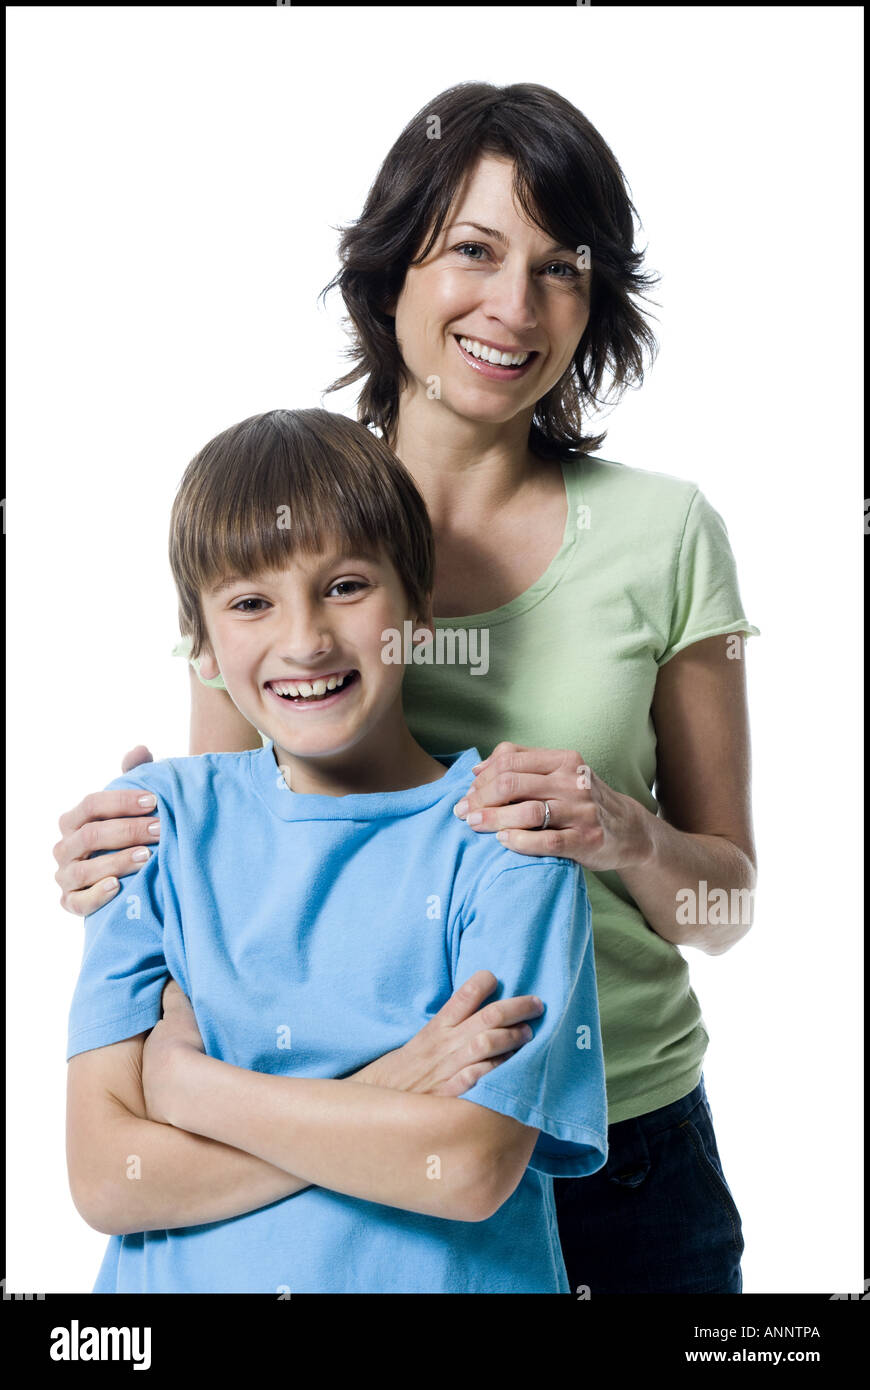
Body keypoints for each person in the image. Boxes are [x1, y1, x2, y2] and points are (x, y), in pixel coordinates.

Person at [55, 82, 758, 1294]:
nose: (513, 305)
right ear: (393, 278)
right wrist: (122, 857)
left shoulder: (667, 533)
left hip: (625, 1145)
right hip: (338, 1162)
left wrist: (624, 833)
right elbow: (235, 867)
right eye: (474, 251)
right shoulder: (280, 532)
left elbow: (726, 911)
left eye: (560, 269)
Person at [65, 406, 607, 1294]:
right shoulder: (150, 826)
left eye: (347, 586)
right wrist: (398, 1082)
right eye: (250, 603)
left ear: (419, 607)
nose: (306, 639)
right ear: (200, 644)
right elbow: (108, 1177)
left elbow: (469, 1169)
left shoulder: (508, 836)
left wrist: (195, 1093)